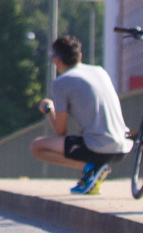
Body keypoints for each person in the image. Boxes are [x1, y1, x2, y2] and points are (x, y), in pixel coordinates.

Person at [31, 35, 131, 194]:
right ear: (80, 56)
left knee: (37, 147)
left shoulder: (61, 83)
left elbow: (60, 132)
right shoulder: (99, 71)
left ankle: (91, 168)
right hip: (123, 146)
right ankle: (94, 171)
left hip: (99, 148)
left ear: (57, 60)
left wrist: (49, 110)